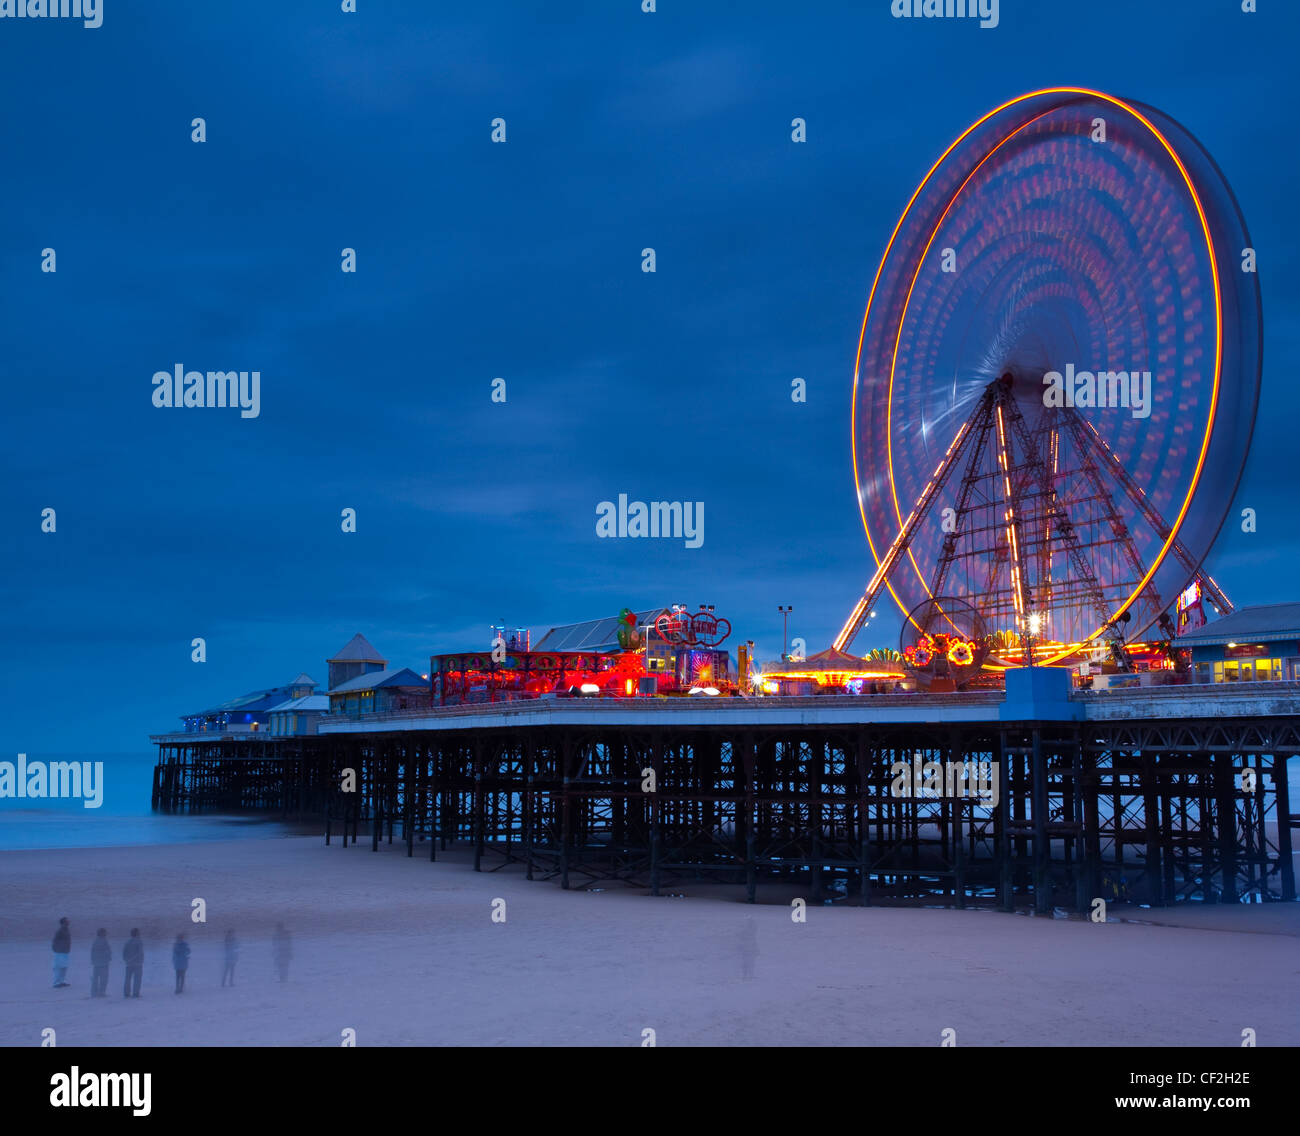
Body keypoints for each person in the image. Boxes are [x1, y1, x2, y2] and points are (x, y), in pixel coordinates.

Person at [122, 928, 143, 998]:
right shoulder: (139, 942)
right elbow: (140, 953)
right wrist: (141, 960)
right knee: (137, 979)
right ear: (137, 934)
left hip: (129, 963)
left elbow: (124, 953)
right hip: (137, 964)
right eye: (138, 932)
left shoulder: (127, 942)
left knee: (127, 979)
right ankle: (136, 993)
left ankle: (126, 993)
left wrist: (126, 960)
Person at [90, 928, 111, 997]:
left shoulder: (95, 941)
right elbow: (107, 952)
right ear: (102, 934)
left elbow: (92, 952)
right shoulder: (104, 941)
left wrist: (93, 960)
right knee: (103, 978)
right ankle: (102, 992)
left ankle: (94, 992)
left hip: (96, 963)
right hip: (104, 963)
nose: (106, 934)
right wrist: (109, 958)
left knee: (95, 978)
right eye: (105, 933)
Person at [51, 917, 71, 988]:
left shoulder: (66, 930)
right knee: (58, 967)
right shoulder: (59, 931)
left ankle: (62, 981)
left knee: (64, 967)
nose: (69, 922)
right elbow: (54, 941)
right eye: (67, 921)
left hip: (65, 952)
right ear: (63, 923)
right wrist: (56, 949)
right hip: (59, 952)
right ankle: (56, 983)